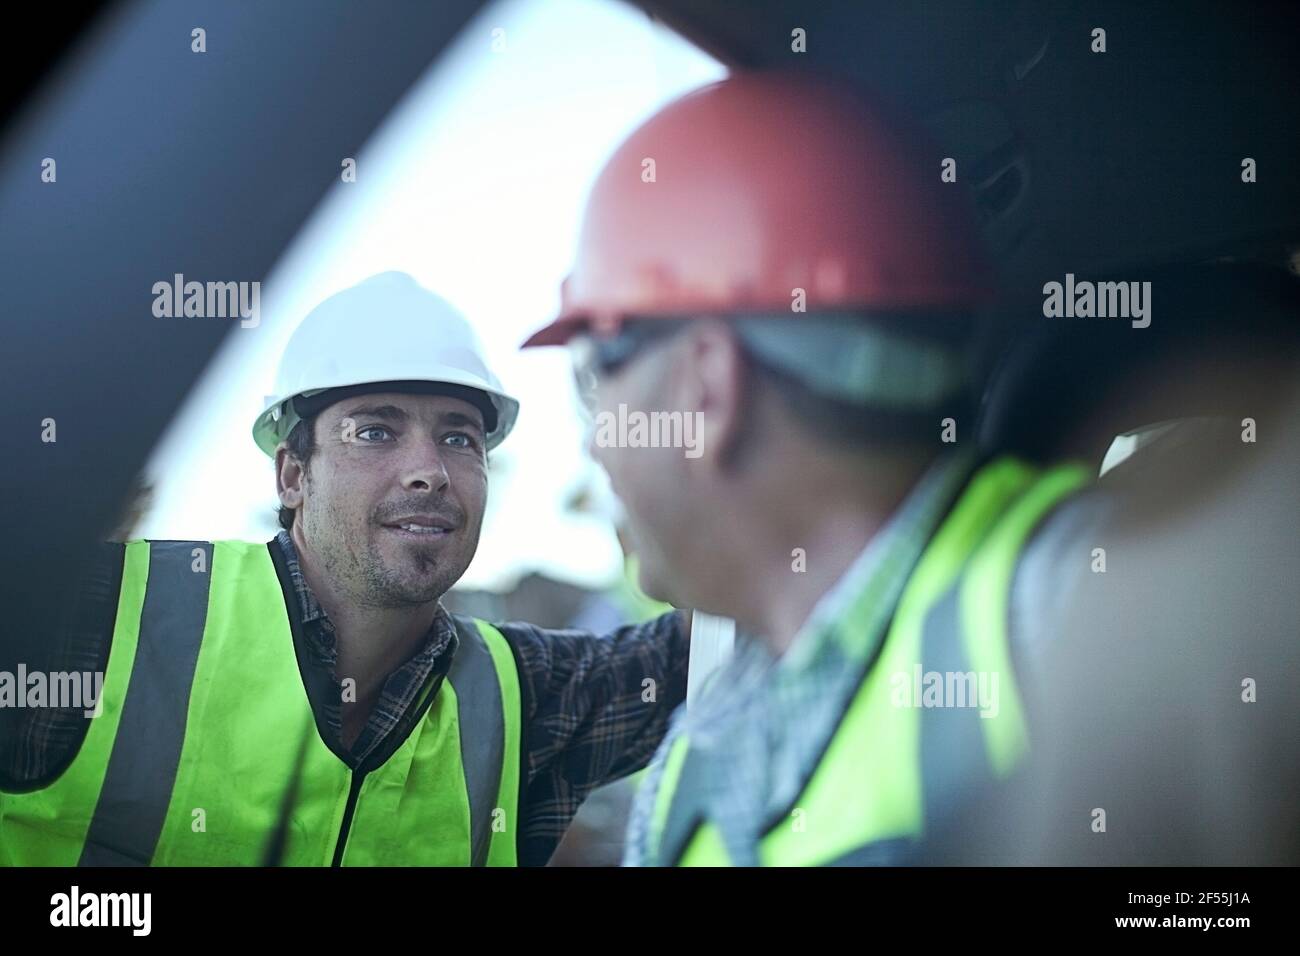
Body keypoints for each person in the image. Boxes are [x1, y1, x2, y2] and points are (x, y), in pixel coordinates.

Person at [522, 72, 1092, 866]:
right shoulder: (688, 765)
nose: (594, 446)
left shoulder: (1076, 609)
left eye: (597, 376)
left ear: (704, 386)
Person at [0, 271, 689, 867]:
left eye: (458, 437)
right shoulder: (101, 613)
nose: (428, 472)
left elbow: (712, 633)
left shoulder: (522, 698)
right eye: (374, 432)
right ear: (293, 475)